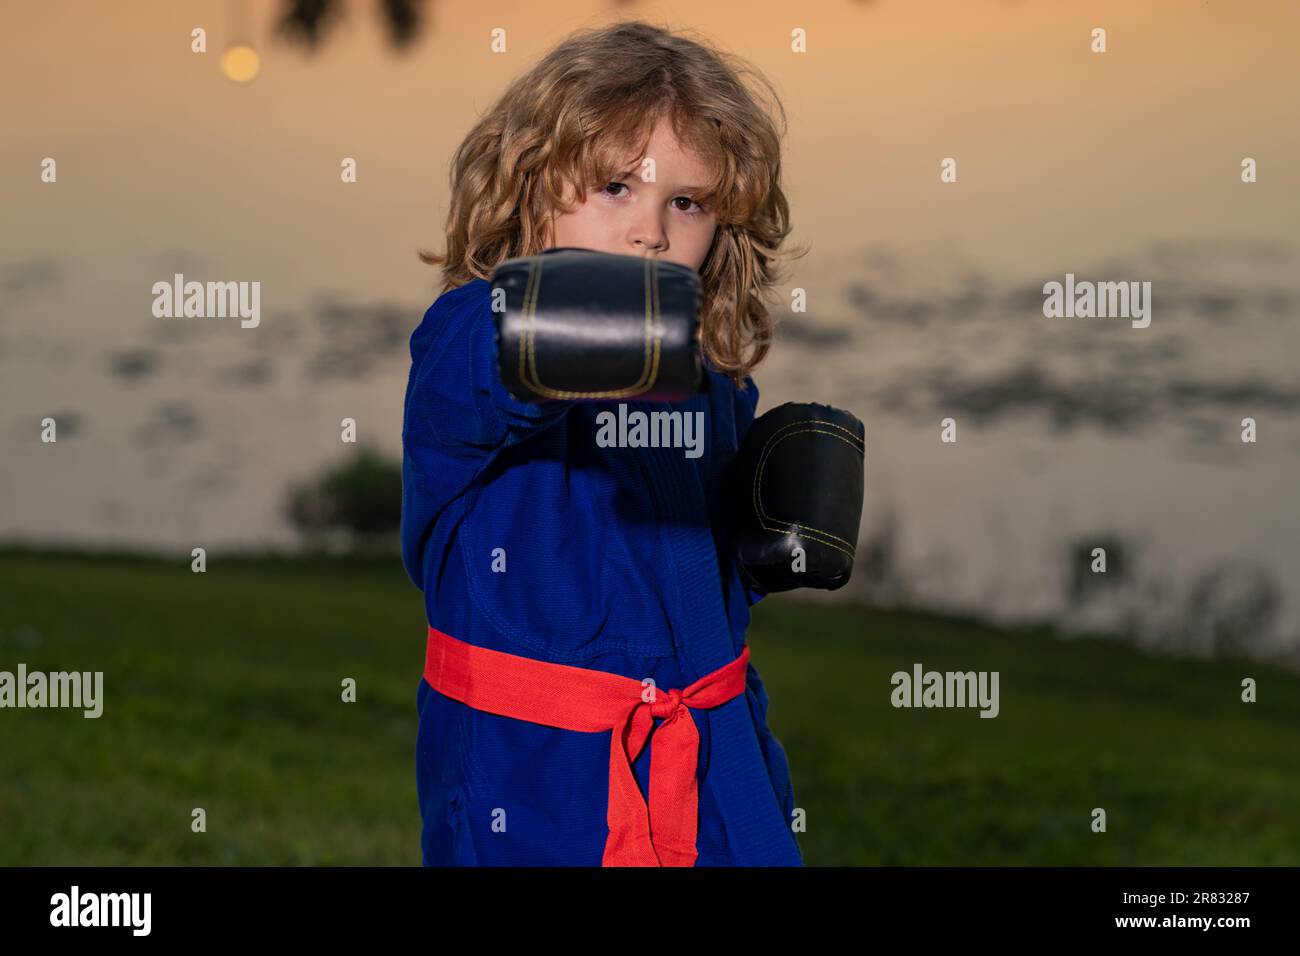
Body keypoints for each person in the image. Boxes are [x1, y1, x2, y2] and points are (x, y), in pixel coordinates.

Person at [401, 20, 858, 866]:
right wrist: (576, 326)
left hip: (714, 757)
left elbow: (675, 591)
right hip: (533, 784)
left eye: (685, 204)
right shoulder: (470, 335)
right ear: (528, 188)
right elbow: (487, 368)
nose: (650, 231)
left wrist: (749, 546)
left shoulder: (712, 379)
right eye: (615, 187)